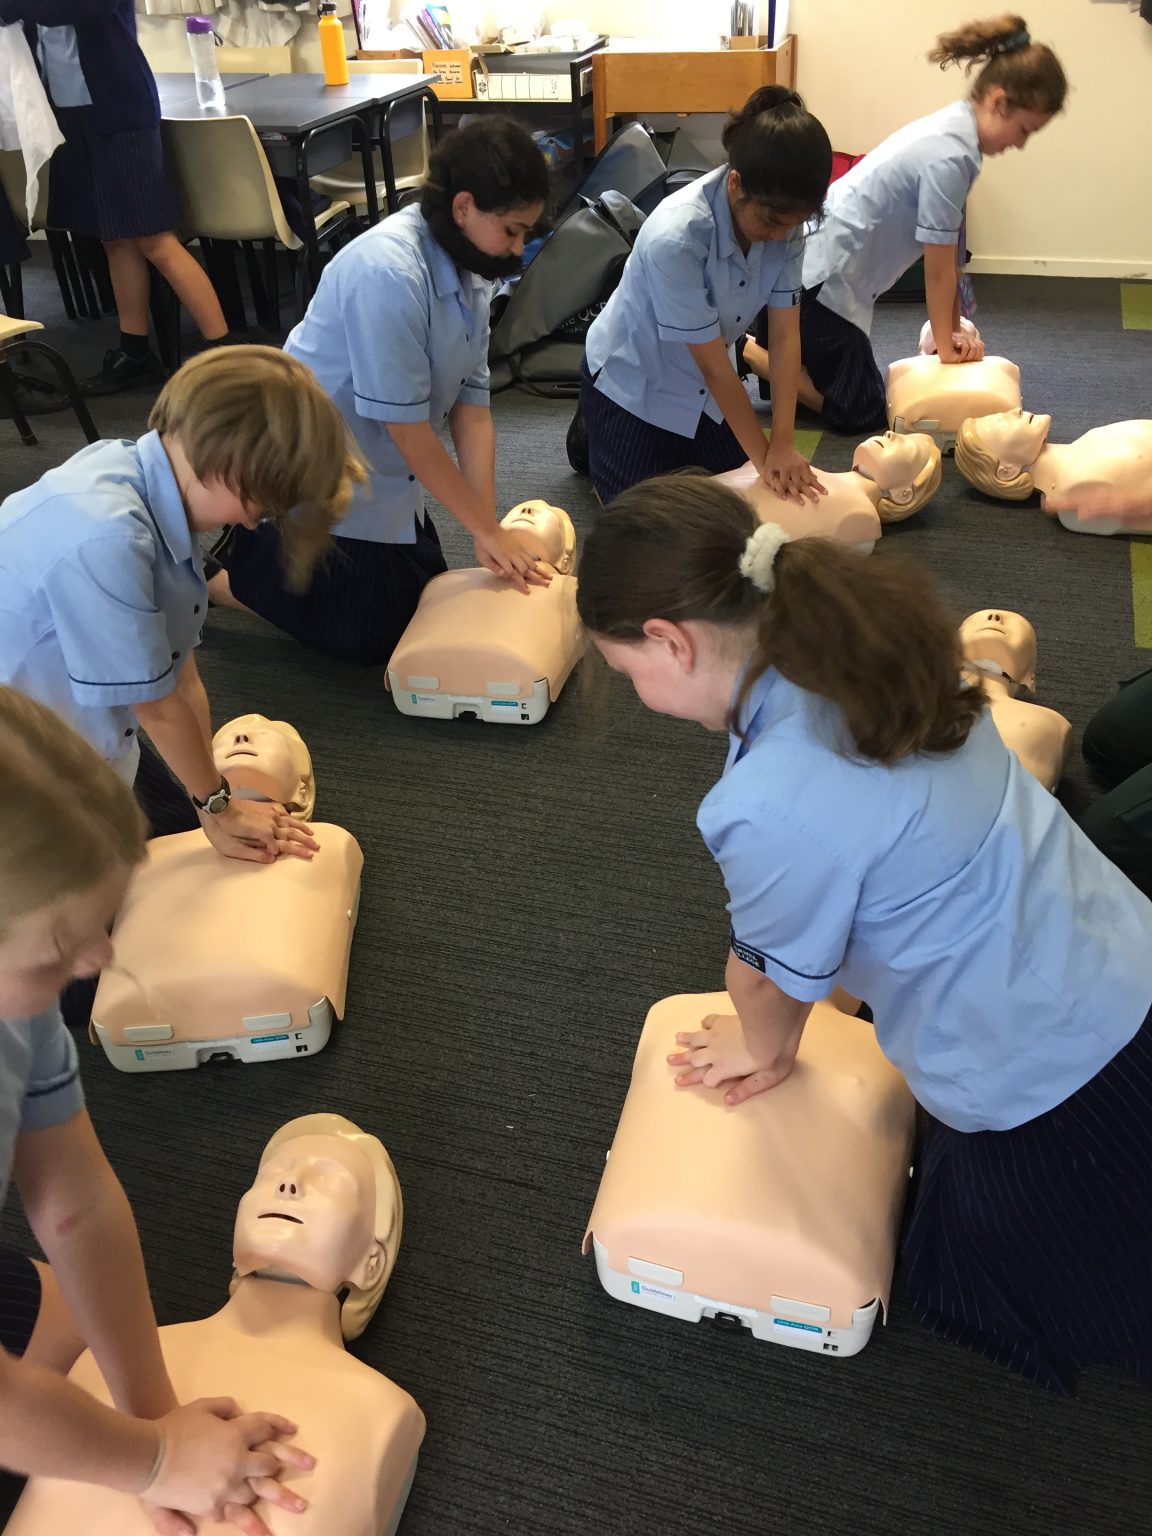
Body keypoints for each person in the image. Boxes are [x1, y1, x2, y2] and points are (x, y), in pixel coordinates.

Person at [574, 475, 1152, 1393]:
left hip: (1060, 1061)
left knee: (960, 1282)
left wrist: (759, 1048)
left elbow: (766, 980)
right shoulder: (867, 650)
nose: (632, 691)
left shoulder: (765, 802)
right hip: (1113, 947)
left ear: (670, 642)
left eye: (625, 672)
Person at [0, 685, 315, 1536]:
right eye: (62, 948)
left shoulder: (14, 1006)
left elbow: (76, 1205)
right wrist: (152, 1462)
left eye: (102, 921)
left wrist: (152, 1418)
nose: (102, 957)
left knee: (65, 1334)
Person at [206, 119, 554, 667]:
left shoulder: (470, 263)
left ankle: (262, 563)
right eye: (511, 231)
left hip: (382, 467)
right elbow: (409, 430)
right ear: (464, 207)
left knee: (425, 602)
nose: (517, 250)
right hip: (312, 468)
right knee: (380, 641)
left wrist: (488, 529)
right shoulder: (389, 272)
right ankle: (225, 578)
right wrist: (486, 531)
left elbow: (473, 408)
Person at [0, 346, 362, 862]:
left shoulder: (150, 480)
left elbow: (180, 677)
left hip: (82, 724)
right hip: (24, 761)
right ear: (225, 463)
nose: (255, 522)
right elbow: (158, 705)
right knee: (99, 915)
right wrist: (218, 806)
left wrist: (215, 798)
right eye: (262, 503)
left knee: (183, 844)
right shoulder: (106, 536)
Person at [7, 1114, 426, 1536]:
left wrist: (156, 1437)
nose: (288, 1185)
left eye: (330, 1181)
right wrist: (156, 1462)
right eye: (273, 1175)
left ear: (371, 1264)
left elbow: (74, 1198)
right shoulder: (93, 1362)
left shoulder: (377, 1413)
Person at [751, 14, 1066, 435]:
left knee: (839, 391)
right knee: (861, 413)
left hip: (821, 274)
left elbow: (951, 259)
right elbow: (936, 272)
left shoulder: (958, 134)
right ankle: (748, 352)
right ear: (999, 102)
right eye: (1023, 129)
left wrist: (951, 333)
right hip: (816, 284)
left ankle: (781, 355)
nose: (1020, 143)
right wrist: (948, 351)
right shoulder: (951, 156)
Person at [575, 86, 832, 507]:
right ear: (735, 183)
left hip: (705, 385)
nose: (780, 235)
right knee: (646, 523)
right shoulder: (677, 236)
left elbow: (785, 337)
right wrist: (765, 459)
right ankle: (590, 430)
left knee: (735, 505)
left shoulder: (786, 227)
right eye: (770, 220)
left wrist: (782, 443)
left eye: (794, 223)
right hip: (634, 380)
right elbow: (715, 368)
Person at [0, 0, 235, 395]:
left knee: (155, 239)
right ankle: (135, 353)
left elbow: (63, 10)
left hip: (120, 109)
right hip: (69, 115)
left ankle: (229, 358)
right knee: (114, 238)